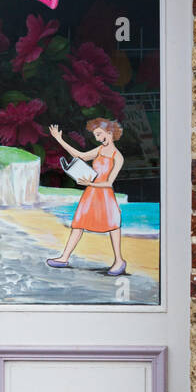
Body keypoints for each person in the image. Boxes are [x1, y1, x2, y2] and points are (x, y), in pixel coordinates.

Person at [45, 118, 127, 276]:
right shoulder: (99, 150)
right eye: (95, 135)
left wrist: (91, 183)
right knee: (78, 223)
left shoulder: (118, 157)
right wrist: (59, 139)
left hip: (103, 193)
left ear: (109, 133)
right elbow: (80, 156)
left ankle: (119, 261)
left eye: (99, 134)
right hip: (91, 193)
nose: (97, 138)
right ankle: (64, 257)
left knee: (113, 225)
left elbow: (109, 182)